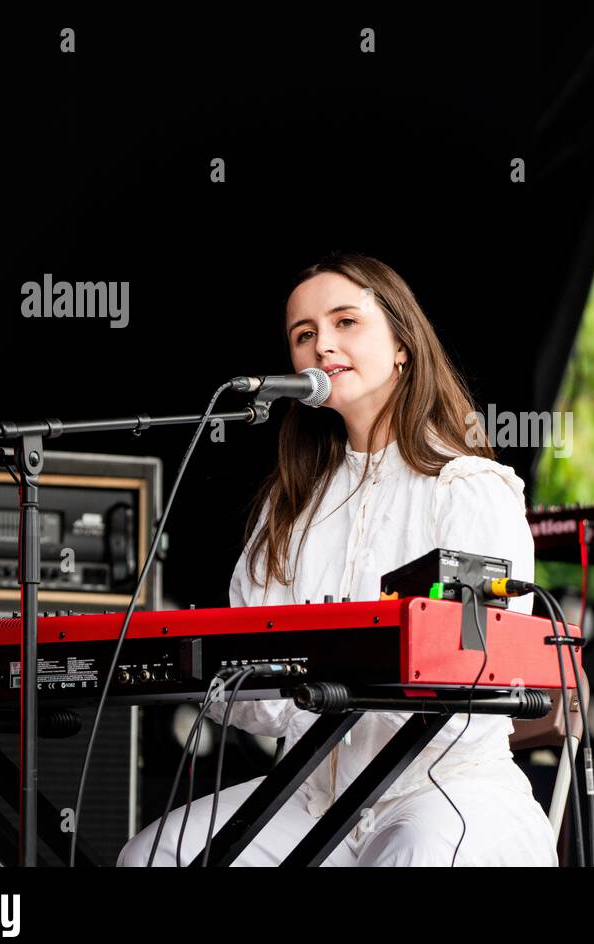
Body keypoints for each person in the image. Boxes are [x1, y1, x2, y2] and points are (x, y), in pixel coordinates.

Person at [117, 252, 557, 866]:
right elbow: (256, 697)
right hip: (312, 797)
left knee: (418, 853)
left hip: (441, 789)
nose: (322, 344)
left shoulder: (470, 488)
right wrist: (241, 673)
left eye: (346, 321)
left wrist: (319, 669)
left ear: (402, 343)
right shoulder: (289, 506)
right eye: (304, 334)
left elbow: (479, 673)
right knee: (158, 856)